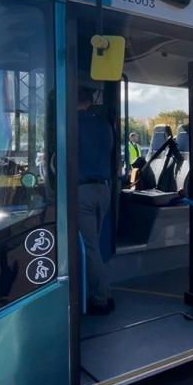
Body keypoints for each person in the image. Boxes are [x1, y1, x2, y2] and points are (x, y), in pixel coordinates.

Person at [77, 86, 115, 315]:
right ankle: (98, 291)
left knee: (88, 248)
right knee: (94, 247)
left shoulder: (72, 123)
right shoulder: (104, 125)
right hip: (104, 190)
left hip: (82, 192)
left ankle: (101, 298)